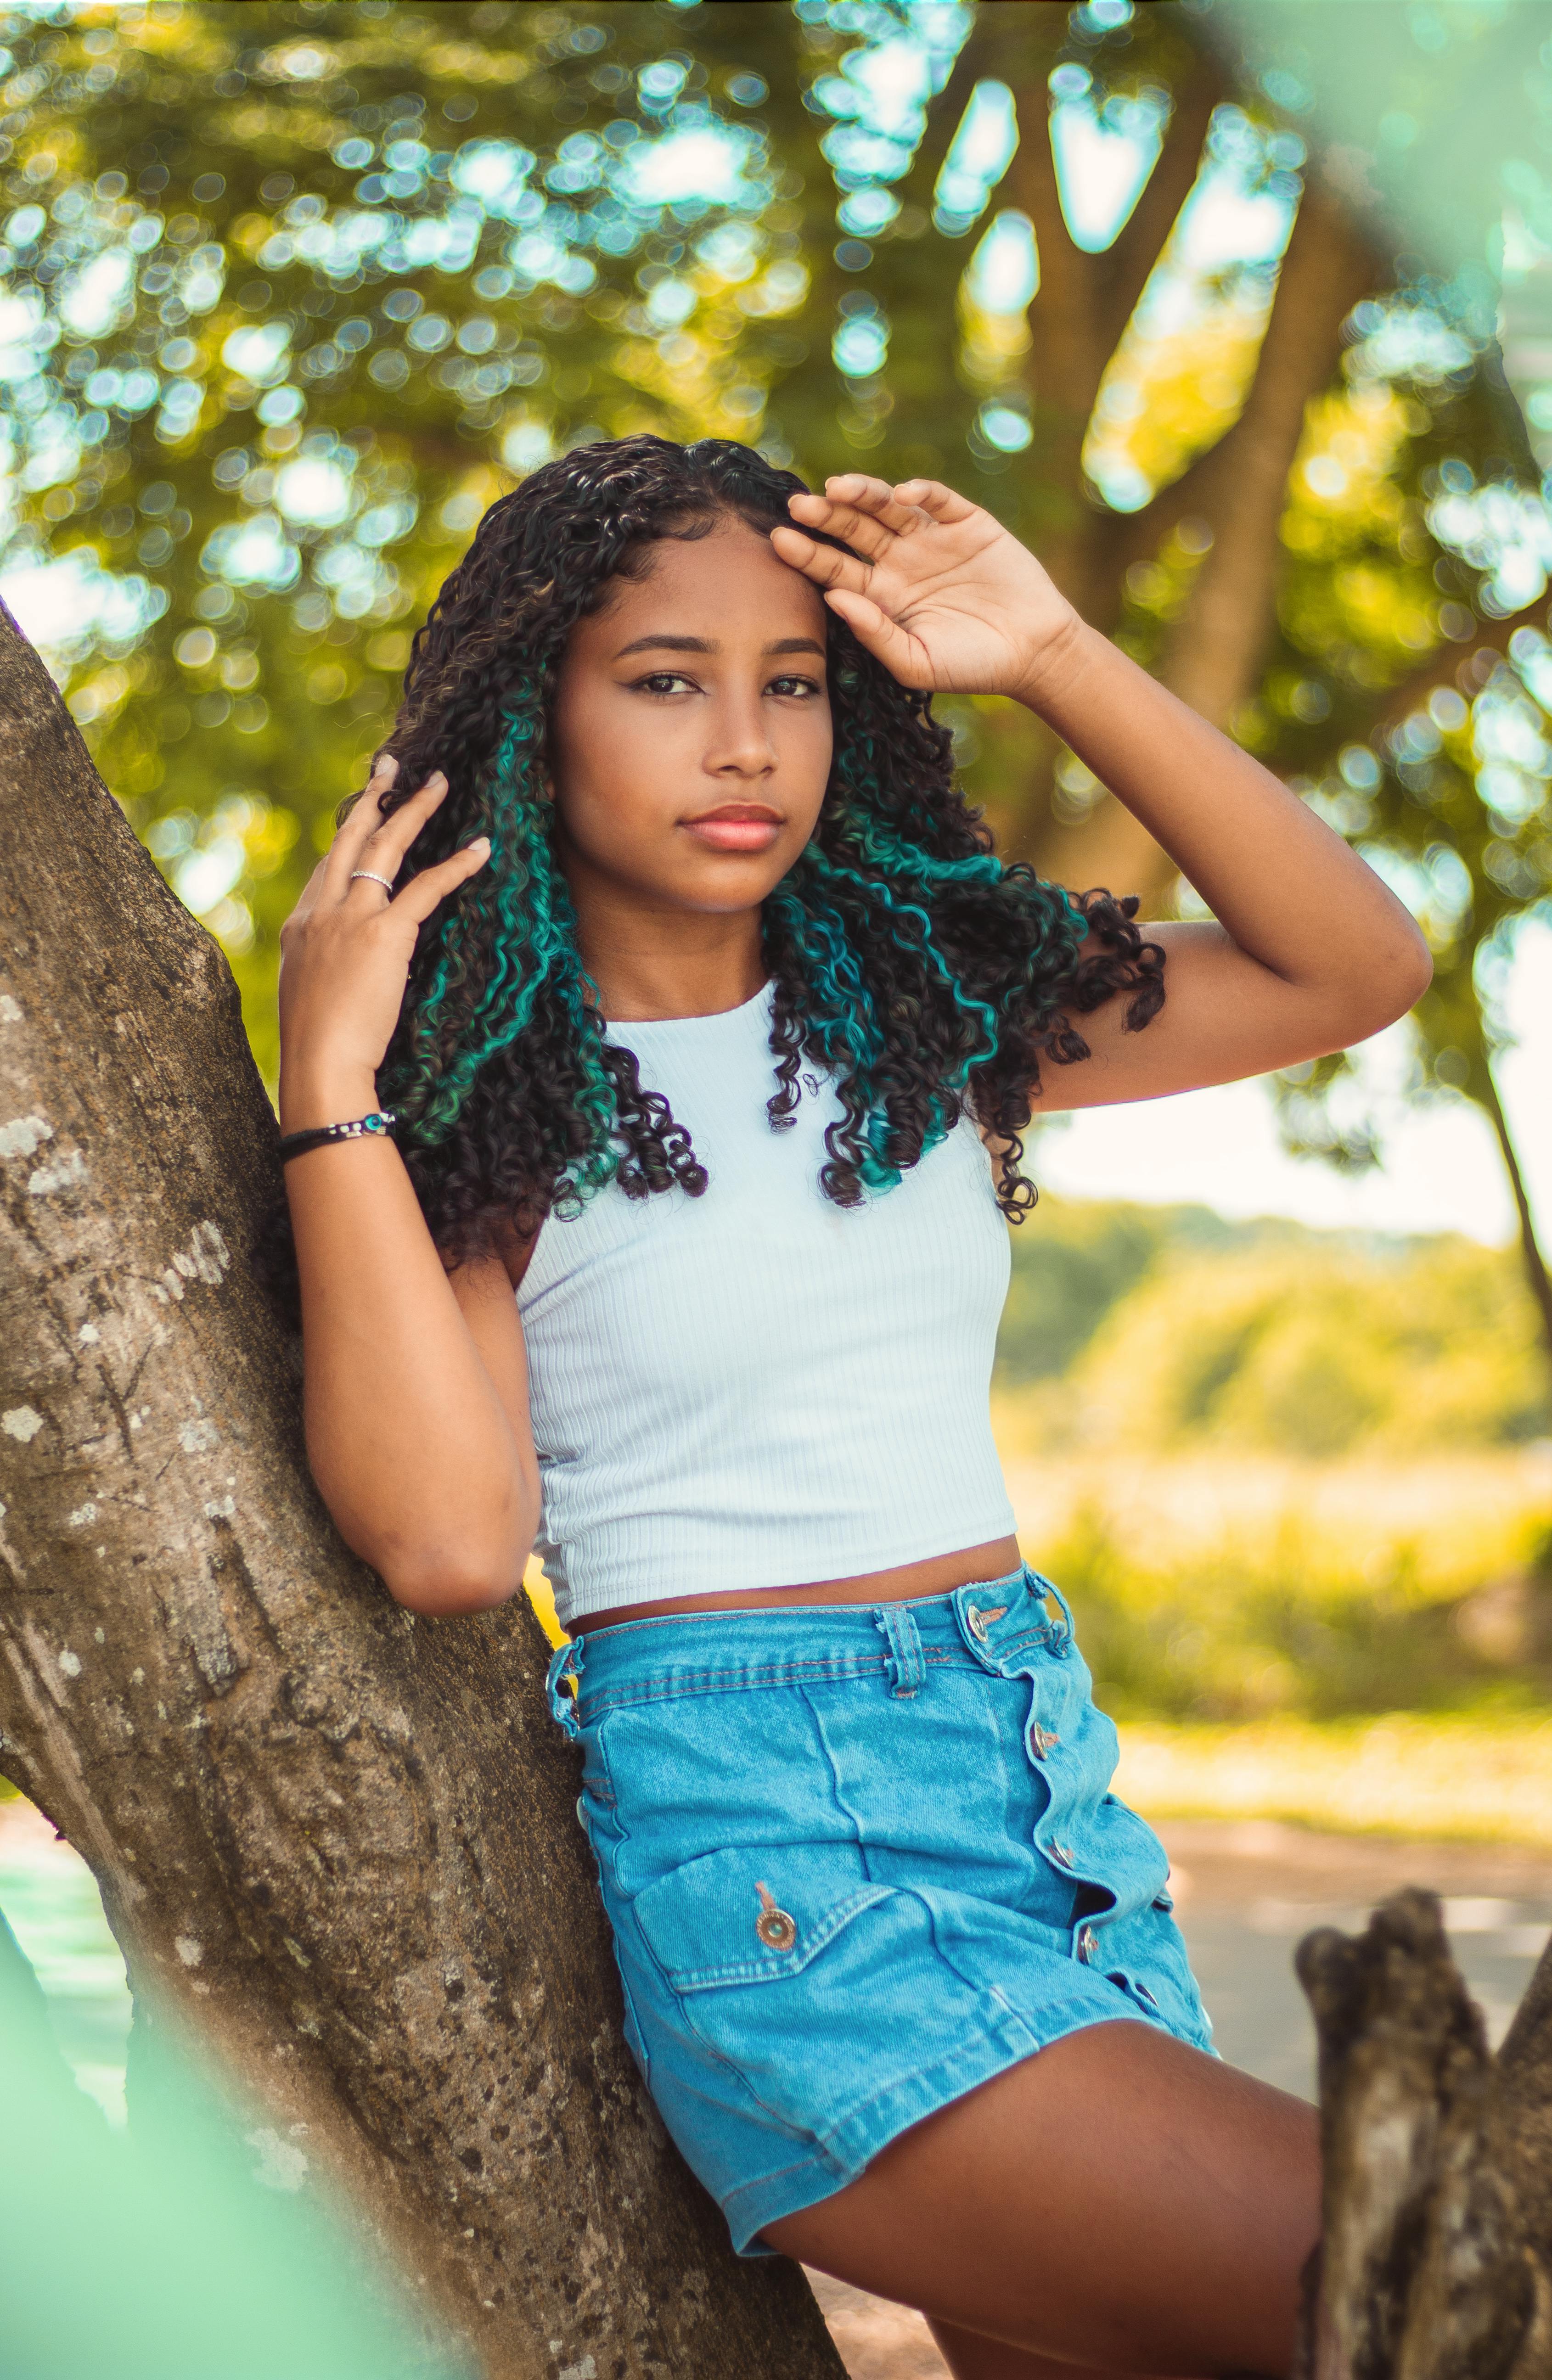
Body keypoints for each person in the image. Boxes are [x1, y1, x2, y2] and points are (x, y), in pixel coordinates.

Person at [270, 435, 1431, 2379]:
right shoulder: (487, 1107)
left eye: (790, 684)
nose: (745, 743)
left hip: (1043, 1796)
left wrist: (1056, 648)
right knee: (1408, 2283)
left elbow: (1356, 964)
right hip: (785, 1858)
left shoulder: (921, 1008)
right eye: (666, 681)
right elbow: (452, 1545)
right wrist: (329, 1077)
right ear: (530, 720)